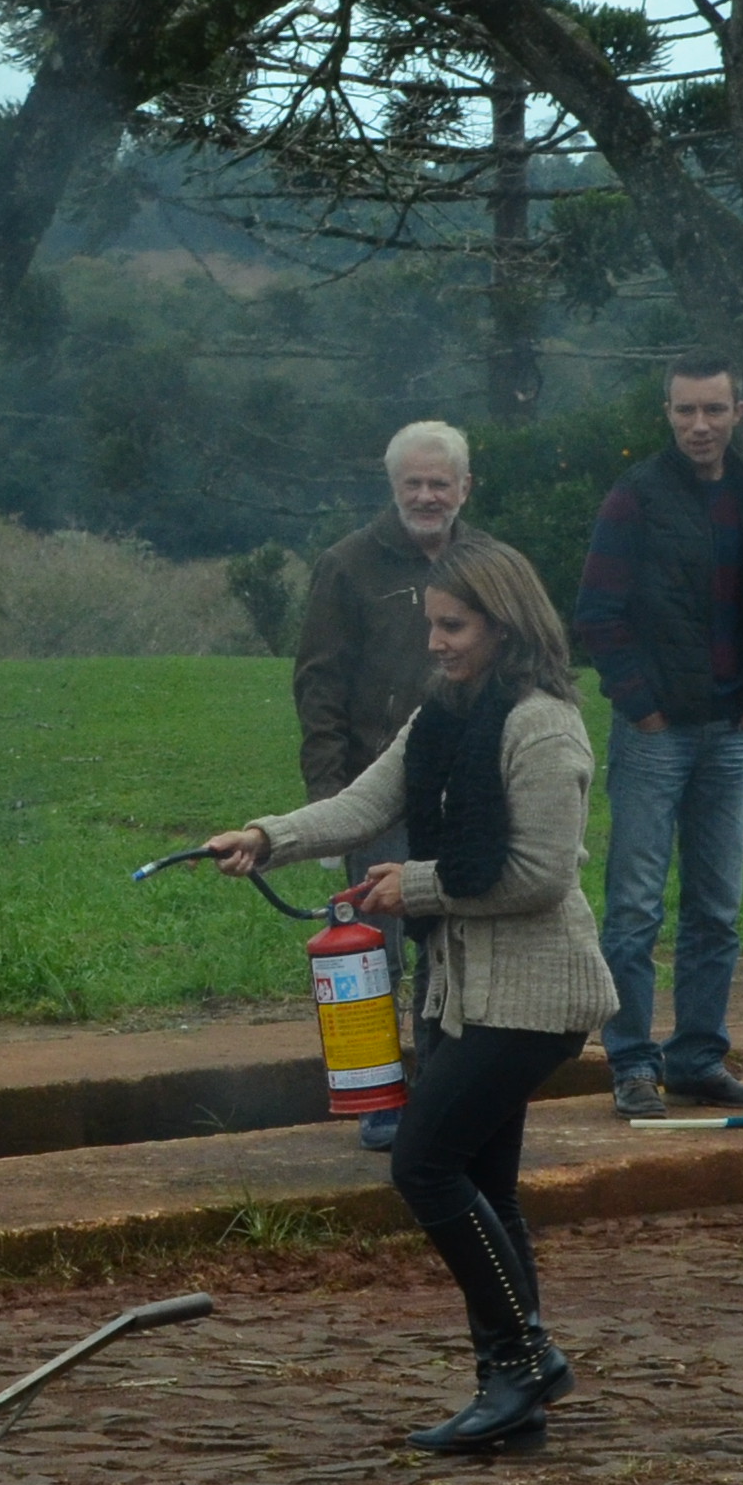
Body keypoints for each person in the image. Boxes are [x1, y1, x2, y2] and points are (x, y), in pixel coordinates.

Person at [205, 540, 615, 1458]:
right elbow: (362, 803)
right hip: (466, 989)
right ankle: (514, 1380)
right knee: (484, 1184)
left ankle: (523, 1360)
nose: (433, 641)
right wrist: (266, 838)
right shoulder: (446, 712)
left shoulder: (542, 725)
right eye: (430, 623)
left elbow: (541, 877)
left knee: (424, 1167)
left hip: (536, 997)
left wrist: (416, 888)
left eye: (452, 625)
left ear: (503, 626)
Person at [573, 354, 743, 1119]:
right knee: (633, 907)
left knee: (717, 906)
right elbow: (597, 612)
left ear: (738, 412)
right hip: (655, 733)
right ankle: (631, 1063)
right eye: (686, 411)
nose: (700, 425)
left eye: (714, 411)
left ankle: (698, 1057)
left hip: (731, 729)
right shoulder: (635, 498)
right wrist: (642, 706)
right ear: (667, 413)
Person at [293, 421, 490, 1151]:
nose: (427, 495)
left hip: (468, 792)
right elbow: (318, 688)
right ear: (393, 486)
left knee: (457, 948)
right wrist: (327, 802)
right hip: (378, 791)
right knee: (374, 949)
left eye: (441, 483)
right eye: (413, 482)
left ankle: (444, 1092)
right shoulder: (346, 567)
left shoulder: (490, 562)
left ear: (464, 488)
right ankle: (379, 1098)